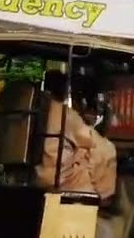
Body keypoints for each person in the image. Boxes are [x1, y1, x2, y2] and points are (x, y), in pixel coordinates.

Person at [37, 71, 117, 203]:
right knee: (105, 151)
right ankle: (104, 199)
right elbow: (89, 140)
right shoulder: (64, 114)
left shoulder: (37, 107)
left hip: (39, 170)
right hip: (57, 176)